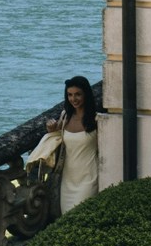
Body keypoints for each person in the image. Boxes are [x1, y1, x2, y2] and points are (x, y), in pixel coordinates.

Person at [27, 76, 102, 217]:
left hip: (89, 178)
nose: (74, 99)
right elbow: (57, 140)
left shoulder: (97, 119)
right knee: (67, 217)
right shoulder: (65, 116)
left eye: (78, 94)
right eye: (70, 95)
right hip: (67, 180)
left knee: (82, 216)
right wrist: (52, 130)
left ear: (86, 94)